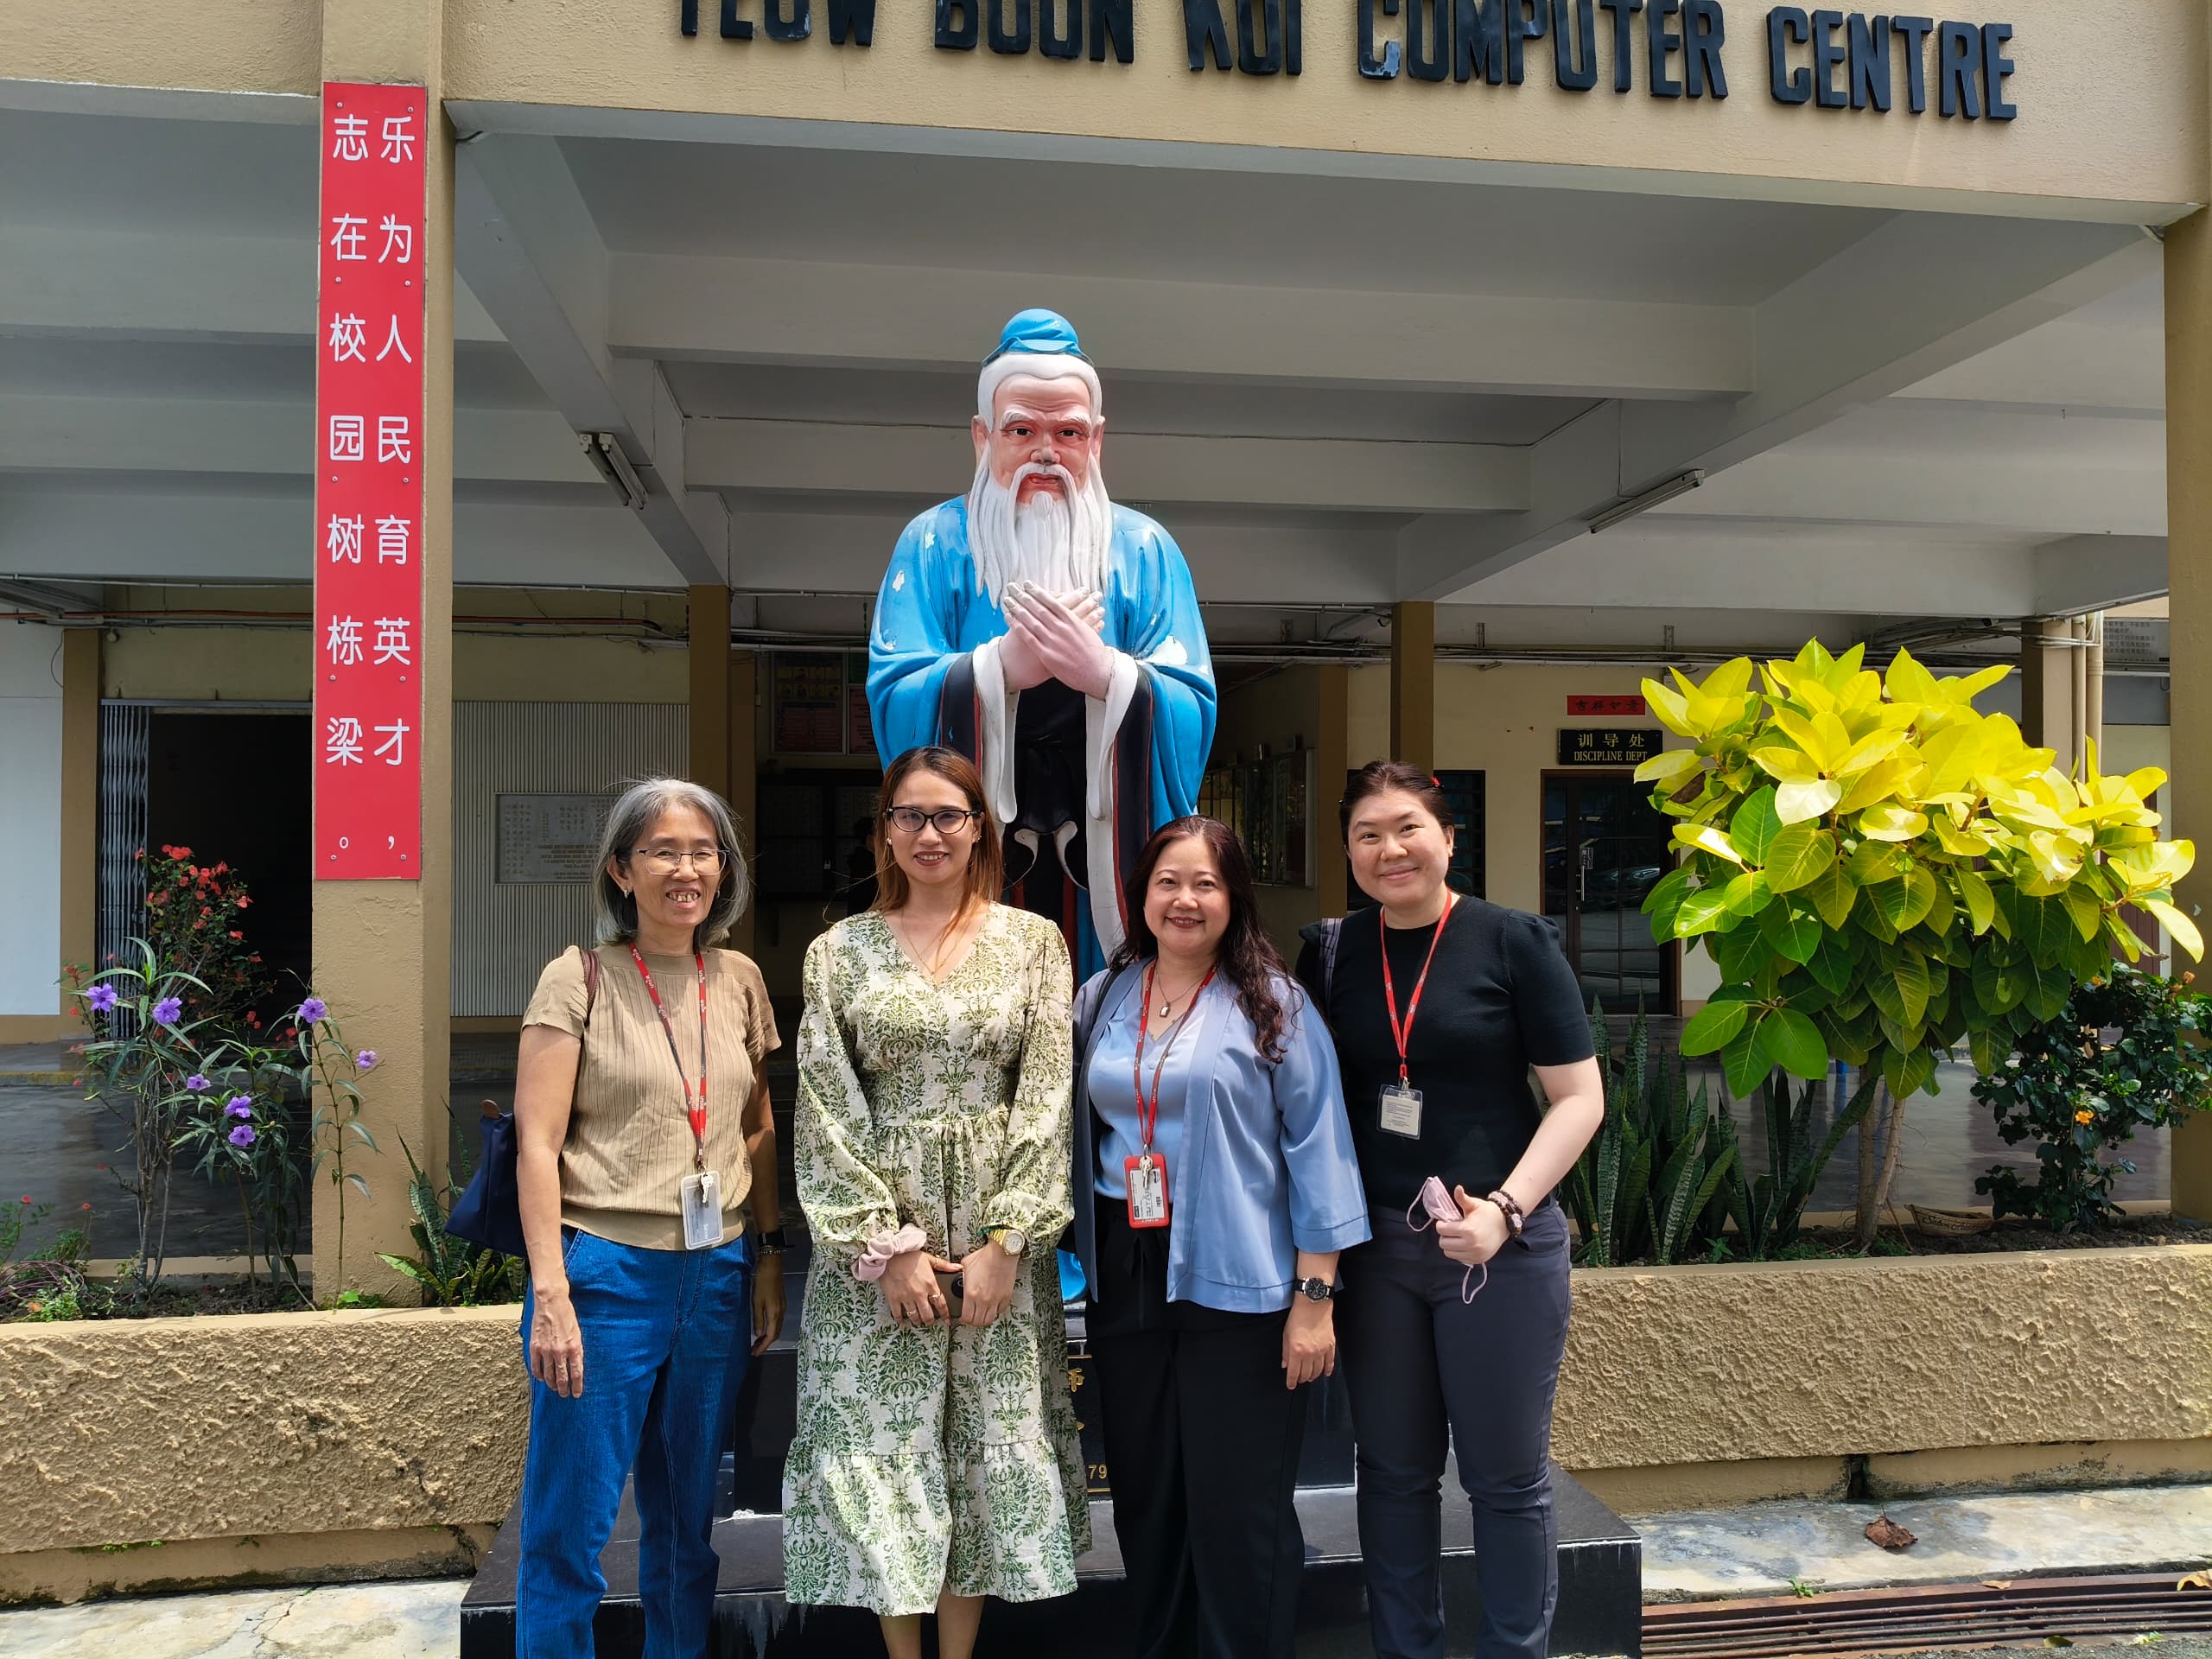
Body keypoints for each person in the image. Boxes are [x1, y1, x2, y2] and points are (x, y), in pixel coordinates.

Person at [782, 745, 1090, 1659]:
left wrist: (1008, 1240)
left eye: (949, 815)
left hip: (996, 1232)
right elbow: (826, 1107)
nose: (929, 833)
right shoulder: (838, 954)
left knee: (974, 1452)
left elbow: (1044, 1098)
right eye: (909, 816)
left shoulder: (1034, 943)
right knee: (888, 1448)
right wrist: (888, 1247)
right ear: (884, 831)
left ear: (979, 828)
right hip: (878, 1247)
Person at [1295, 761, 1606, 1659]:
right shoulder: (1329, 952)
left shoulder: (1514, 942)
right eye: (1366, 834)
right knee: (1391, 1477)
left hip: (1496, 1252)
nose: (1388, 850)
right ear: (1349, 850)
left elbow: (1578, 1099)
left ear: (1447, 838)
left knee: (1505, 1481)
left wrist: (1506, 1211)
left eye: (1406, 828)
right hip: (1379, 1251)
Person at [1071, 816, 1370, 1659]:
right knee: (1148, 1500)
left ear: (1235, 897)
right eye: (1168, 881)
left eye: (1206, 883)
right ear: (1140, 895)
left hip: (1244, 1281)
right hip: (1126, 1274)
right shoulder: (1104, 997)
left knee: (1238, 1511)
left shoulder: (1275, 1005)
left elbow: (1321, 1151)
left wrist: (1314, 1299)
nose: (1185, 899)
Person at [511, 777, 786, 1659]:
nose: (686, 869)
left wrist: (770, 1258)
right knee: (571, 1528)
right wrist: (550, 1290)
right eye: (663, 850)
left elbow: (757, 1125)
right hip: (604, 1278)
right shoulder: (579, 976)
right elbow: (536, 1144)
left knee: (685, 1523)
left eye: (703, 851)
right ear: (621, 870)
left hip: (714, 1275)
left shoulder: (739, 978)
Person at [868, 308, 1217, 976]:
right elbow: (894, 689)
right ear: (981, 437)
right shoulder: (935, 543)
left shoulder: (1145, 549)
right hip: (987, 836)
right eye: (1021, 430)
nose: (1046, 453)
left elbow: (1192, 700)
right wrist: (998, 671)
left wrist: (1109, 678)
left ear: (1099, 440)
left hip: (1105, 839)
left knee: (1103, 1000)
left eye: (1069, 432)